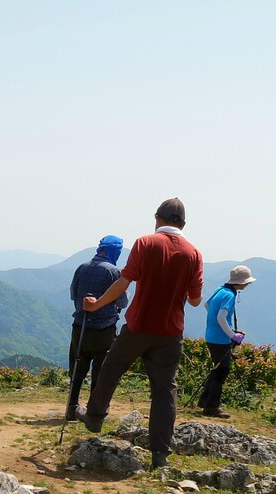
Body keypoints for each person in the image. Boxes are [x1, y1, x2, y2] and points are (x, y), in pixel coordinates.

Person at [76, 198, 204, 469]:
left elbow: (123, 283)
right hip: (170, 332)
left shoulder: (145, 244)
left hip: (138, 326)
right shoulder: (193, 253)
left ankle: (95, 416)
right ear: (184, 223)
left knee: (111, 367)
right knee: (164, 390)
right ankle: (160, 455)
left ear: (157, 218)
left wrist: (96, 304)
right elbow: (194, 300)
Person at [66, 236, 129, 418]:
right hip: (104, 329)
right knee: (101, 371)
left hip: (81, 326)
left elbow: (73, 294)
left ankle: (71, 407)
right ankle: (95, 410)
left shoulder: (81, 268)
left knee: (77, 367)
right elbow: (122, 302)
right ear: (114, 251)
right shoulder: (114, 272)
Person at [196, 265, 255, 418]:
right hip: (220, 339)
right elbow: (221, 317)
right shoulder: (229, 295)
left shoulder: (220, 289)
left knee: (216, 368)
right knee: (222, 371)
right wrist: (232, 335)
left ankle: (204, 400)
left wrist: (224, 329)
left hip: (211, 335)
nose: (248, 285)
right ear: (241, 282)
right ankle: (212, 406)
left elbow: (207, 305)